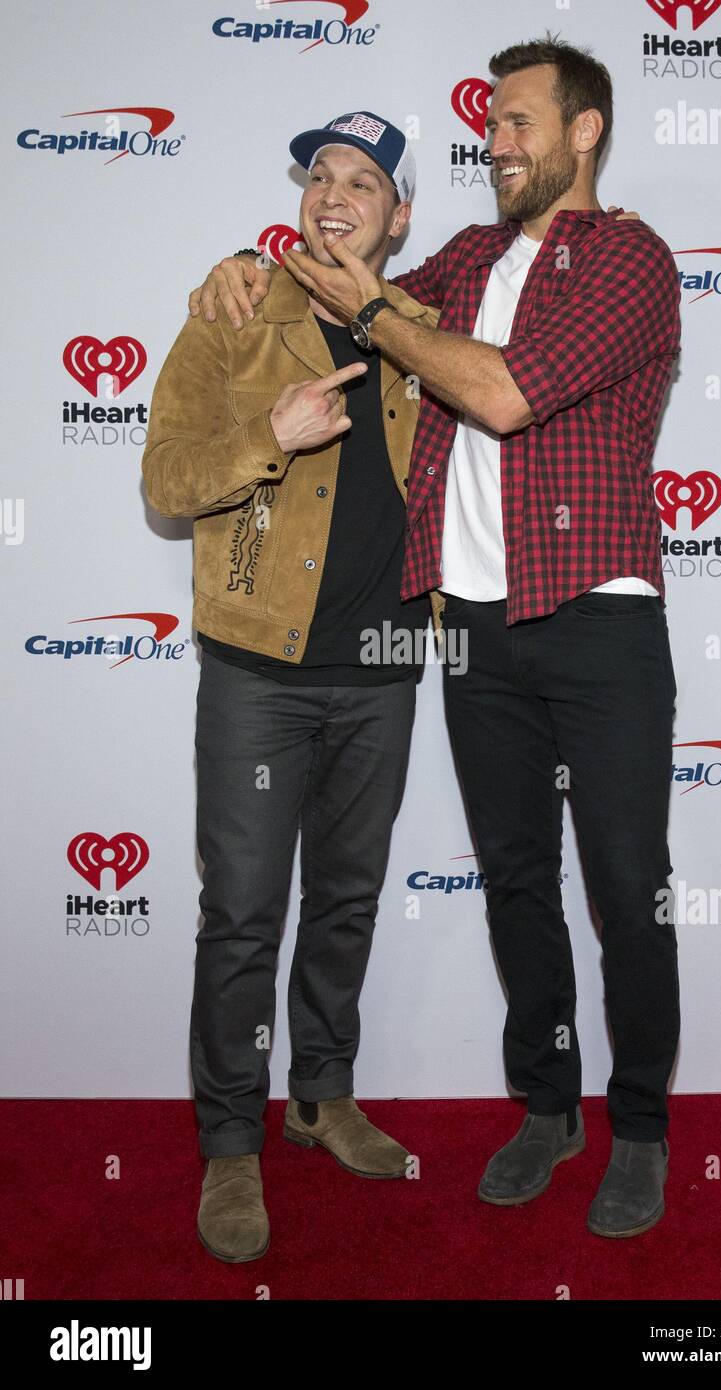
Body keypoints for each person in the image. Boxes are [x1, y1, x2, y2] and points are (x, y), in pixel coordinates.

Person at [189, 35, 679, 1240]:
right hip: (470, 629)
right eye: (488, 126)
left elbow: (502, 393)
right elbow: (345, 273)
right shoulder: (461, 256)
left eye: (516, 122)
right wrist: (243, 266)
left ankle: (640, 1129)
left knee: (626, 888)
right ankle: (547, 1107)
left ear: (582, 132)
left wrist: (371, 308)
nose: (493, 142)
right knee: (515, 883)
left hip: (598, 617)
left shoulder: (628, 257)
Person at [142, 112, 443, 1264]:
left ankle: (320, 1094)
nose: (334, 194)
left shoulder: (420, 330)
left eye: (363, 181)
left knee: (347, 900)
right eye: (320, 173)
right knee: (241, 912)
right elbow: (167, 482)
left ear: (398, 217)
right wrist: (268, 434)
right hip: (258, 672)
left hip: (383, 669)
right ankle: (230, 1141)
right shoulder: (233, 311)